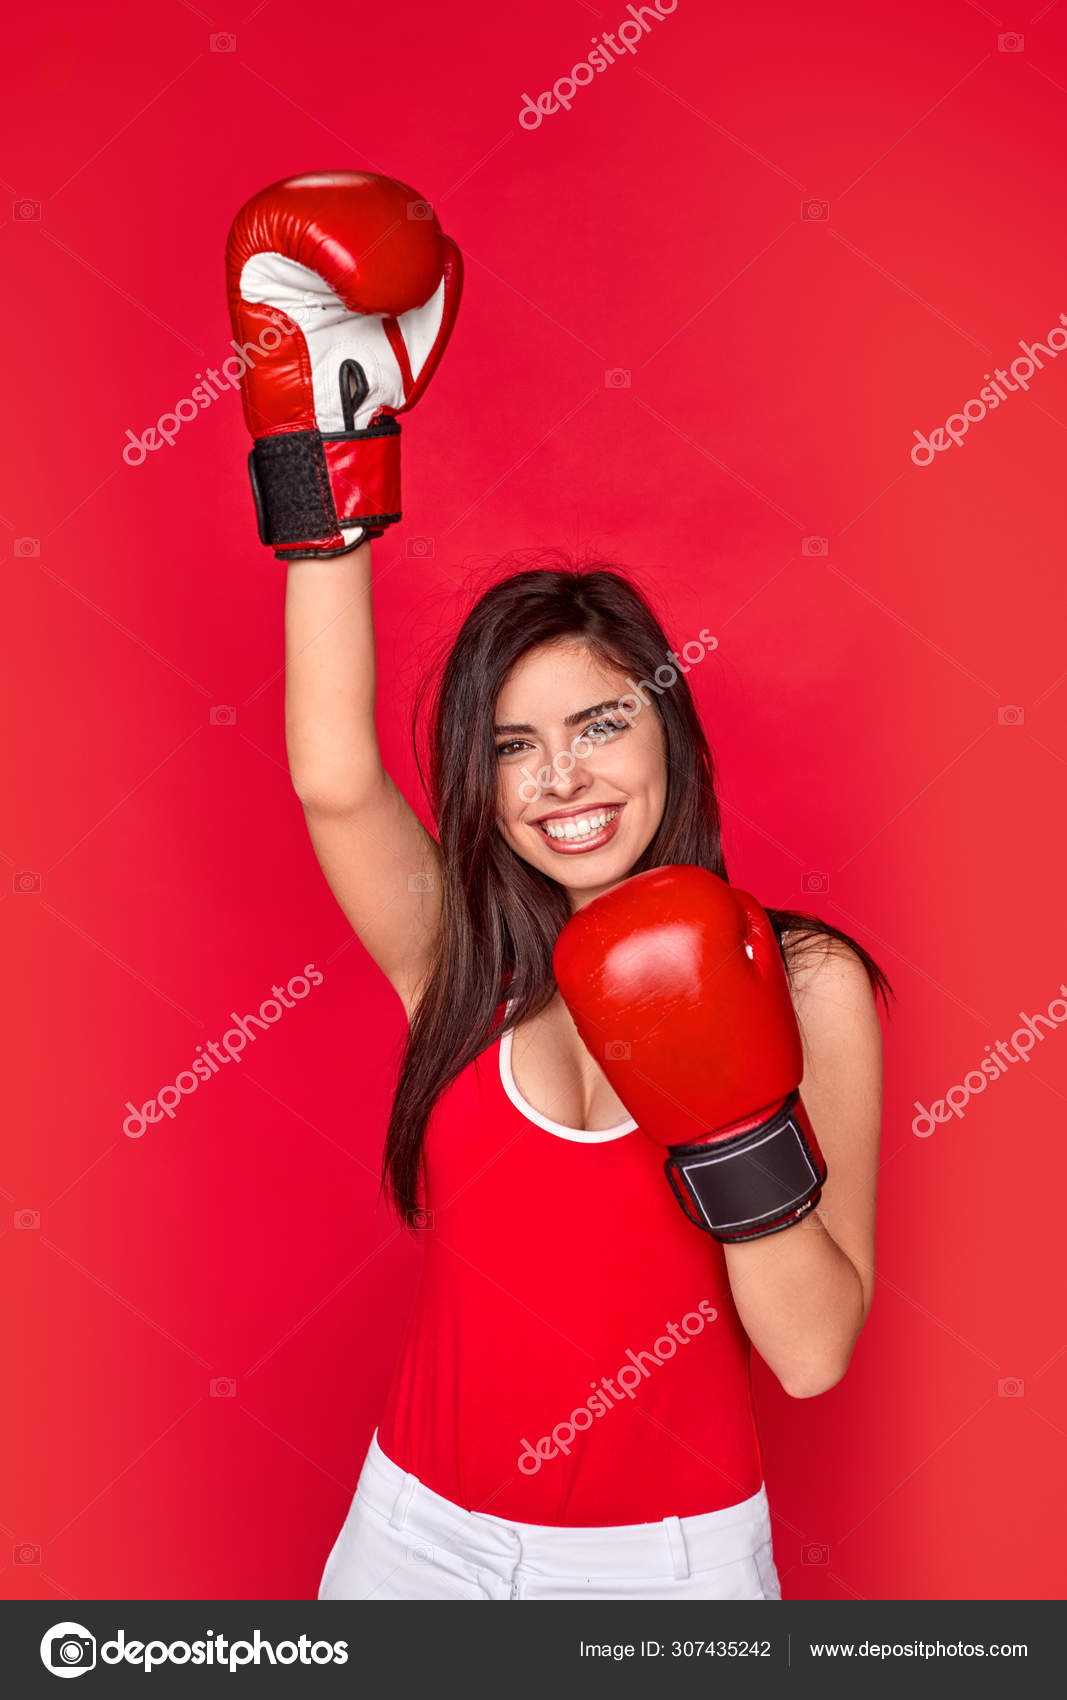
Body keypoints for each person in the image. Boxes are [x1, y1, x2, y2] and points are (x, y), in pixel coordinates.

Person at [226, 172, 889, 1602]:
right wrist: (318, 440)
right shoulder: (460, 959)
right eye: (515, 747)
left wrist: (727, 1117)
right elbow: (335, 776)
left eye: (602, 726)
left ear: (670, 731)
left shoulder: (810, 978)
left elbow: (816, 1351)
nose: (563, 781)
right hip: (415, 1541)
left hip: (674, 1572)